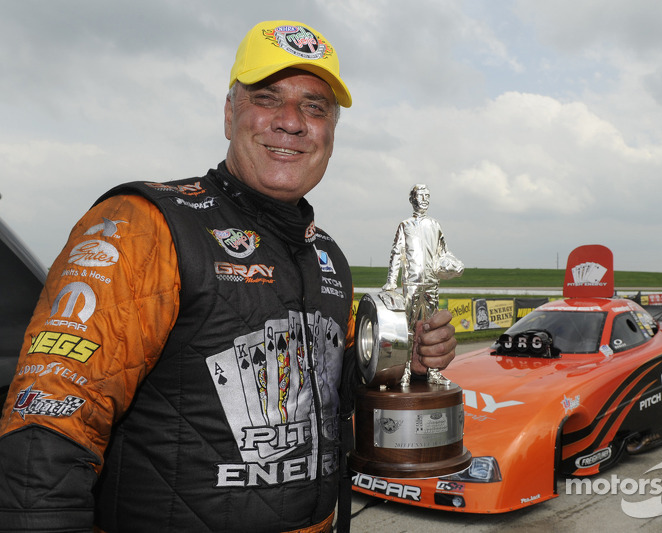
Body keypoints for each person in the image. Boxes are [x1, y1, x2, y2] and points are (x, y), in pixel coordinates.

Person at [0, 20, 456, 533]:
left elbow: (329, 394)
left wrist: (398, 357)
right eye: (267, 98)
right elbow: (47, 424)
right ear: (229, 113)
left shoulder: (326, 253)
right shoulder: (145, 224)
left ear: (331, 133)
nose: (291, 122)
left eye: (315, 107)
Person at [382, 184, 463, 387]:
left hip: (431, 285)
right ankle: (405, 370)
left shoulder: (435, 225)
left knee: (431, 329)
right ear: (412, 199)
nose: (425, 199)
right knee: (408, 328)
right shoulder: (405, 225)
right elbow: (396, 254)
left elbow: (443, 253)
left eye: (428, 195)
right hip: (411, 284)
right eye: (420, 195)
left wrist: (453, 265)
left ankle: (432, 372)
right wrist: (391, 281)